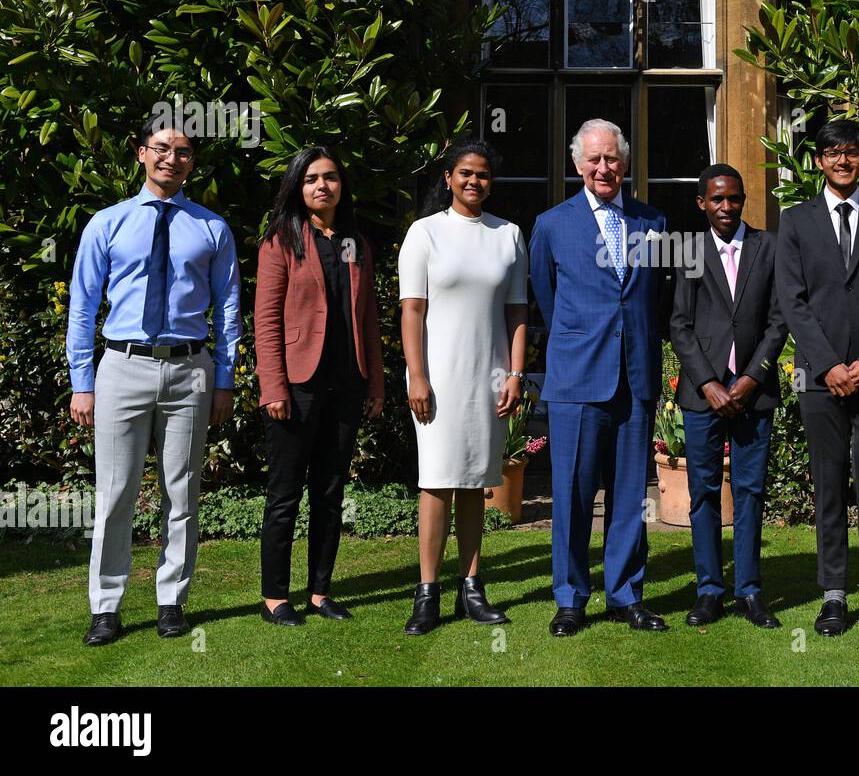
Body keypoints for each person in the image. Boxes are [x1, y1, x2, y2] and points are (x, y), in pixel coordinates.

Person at [67, 111, 241, 646]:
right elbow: (83, 303)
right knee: (115, 493)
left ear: (192, 162)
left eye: (183, 150)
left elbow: (228, 307)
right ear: (141, 152)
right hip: (122, 365)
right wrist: (82, 380)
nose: (172, 157)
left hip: (190, 369)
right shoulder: (107, 223)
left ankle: (171, 600)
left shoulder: (211, 228)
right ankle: (106, 606)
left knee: (181, 492)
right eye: (161, 147)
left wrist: (224, 379)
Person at [529, 118, 670, 636]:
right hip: (577, 380)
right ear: (577, 164)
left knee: (631, 493)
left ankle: (625, 594)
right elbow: (546, 296)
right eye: (594, 159)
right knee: (571, 493)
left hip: (634, 378)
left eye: (612, 158)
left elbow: (656, 298)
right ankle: (570, 598)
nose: (604, 168)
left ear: (626, 162)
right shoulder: (550, 225)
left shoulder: (652, 221)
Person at [775, 119, 859, 639]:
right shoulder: (795, 221)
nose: (842, 161)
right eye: (833, 153)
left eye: (852, 152)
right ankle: (833, 593)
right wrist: (828, 364)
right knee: (829, 483)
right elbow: (793, 299)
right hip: (819, 376)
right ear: (818, 161)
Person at [398, 139, 527, 634]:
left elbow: (518, 311)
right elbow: (413, 310)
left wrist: (514, 374)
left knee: (476, 481)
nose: (474, 182)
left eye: (483, 175)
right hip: (437, 378)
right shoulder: (424, 233)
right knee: (436, 480)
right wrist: (418, 375)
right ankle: (427, 592)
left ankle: (472, 589)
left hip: (489, 376)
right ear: (448, 178)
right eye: (465, 173)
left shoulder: (510, 235)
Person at [254, 147, 385, 626]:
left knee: (330, 492)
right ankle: (274, 596)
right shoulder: (281, 241)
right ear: (297, 187)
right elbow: (265, 321)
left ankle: (320, 591)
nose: (322, 186)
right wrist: (273, 387)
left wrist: (375, 381)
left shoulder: (357, 244)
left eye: (330, 177)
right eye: (311, 179)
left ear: (341, 185)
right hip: (296, 385)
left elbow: (368, 317)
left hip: (346, 384)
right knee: (285, 493)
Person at [670, 164, 787, 629]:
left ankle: (750, 591)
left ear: (743, 200)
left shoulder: (769, 247)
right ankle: (708, 590)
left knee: (751, 491)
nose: (726, 207)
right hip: (704, 397)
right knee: (702, 494)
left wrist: (751, 378)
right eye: (717, 199)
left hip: (753, 395)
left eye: (734, 199)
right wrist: (709, 383)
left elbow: (780, 320)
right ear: (702, 203)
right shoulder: (690, 251)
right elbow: (679, 323)